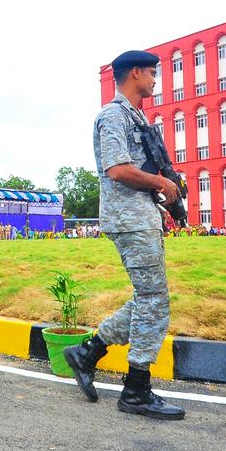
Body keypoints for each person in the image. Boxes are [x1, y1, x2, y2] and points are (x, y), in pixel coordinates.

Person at [62, 51, 186, 420]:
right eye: (151, 73)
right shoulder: (113, 115)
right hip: (128, 218)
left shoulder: (137, 117)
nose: (154, 80)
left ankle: (87, 353)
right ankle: (135, 390)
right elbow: (117, 169)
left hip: (140, 216)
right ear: (134, 73)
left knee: (148, 298)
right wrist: (162, 182)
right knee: (154, 301)